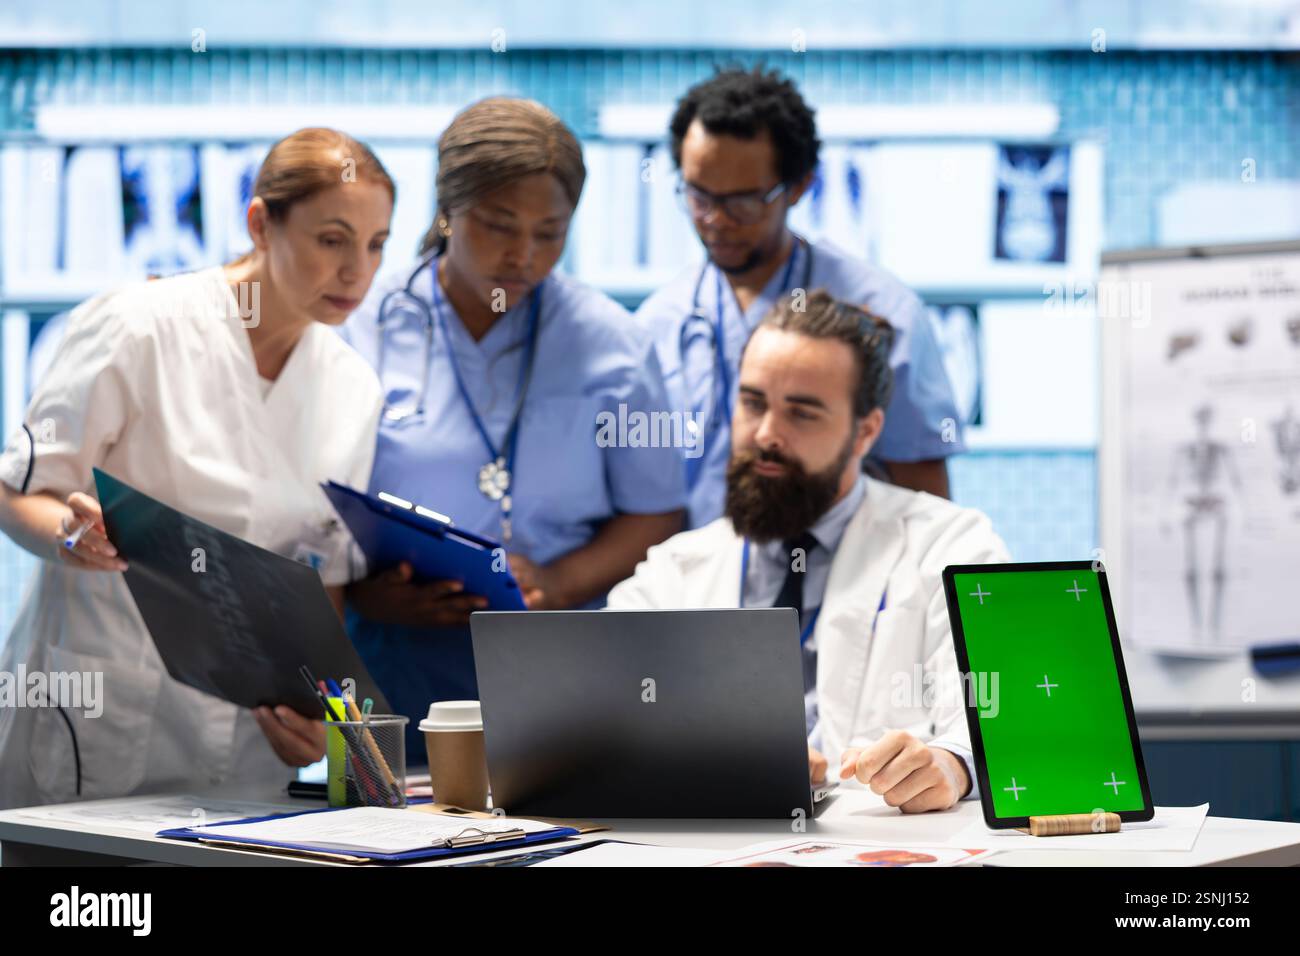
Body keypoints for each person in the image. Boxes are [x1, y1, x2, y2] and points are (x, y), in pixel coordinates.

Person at [0, 127, 395, 809]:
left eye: (376, 244)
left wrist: (324, 724)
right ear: (260, 223)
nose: (357, 270)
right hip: (99, 711)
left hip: (243, 743)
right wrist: (70, 536)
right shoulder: (139, 326)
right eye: (332, 240)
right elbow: (15, 495)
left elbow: (319, 582)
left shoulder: (352, 387)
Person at [339, 97, 686, 762]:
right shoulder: (363, 329)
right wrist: (364, 593)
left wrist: (559, 581)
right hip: (394, 663)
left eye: (550, 232)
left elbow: (657, 510)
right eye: (498, 226)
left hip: (563, 664)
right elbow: (306, 512)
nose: (522, 255)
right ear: (446, 212)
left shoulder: (616, 345)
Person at [609, 290, 1009, 813]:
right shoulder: (678, 569)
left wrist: (950, 766)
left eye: (802, 413)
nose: (767, 434)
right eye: (753, 403)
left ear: (865, 432)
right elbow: (606, 713)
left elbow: (995, 718)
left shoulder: (952, 545)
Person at [637, 66, 965, 528]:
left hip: (842, 587)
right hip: (697, 588)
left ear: (799, 187)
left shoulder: (884, 312)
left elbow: (924, 501)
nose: (715, 220)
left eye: (742, 202)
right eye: (698, 196)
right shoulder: (659, 323)